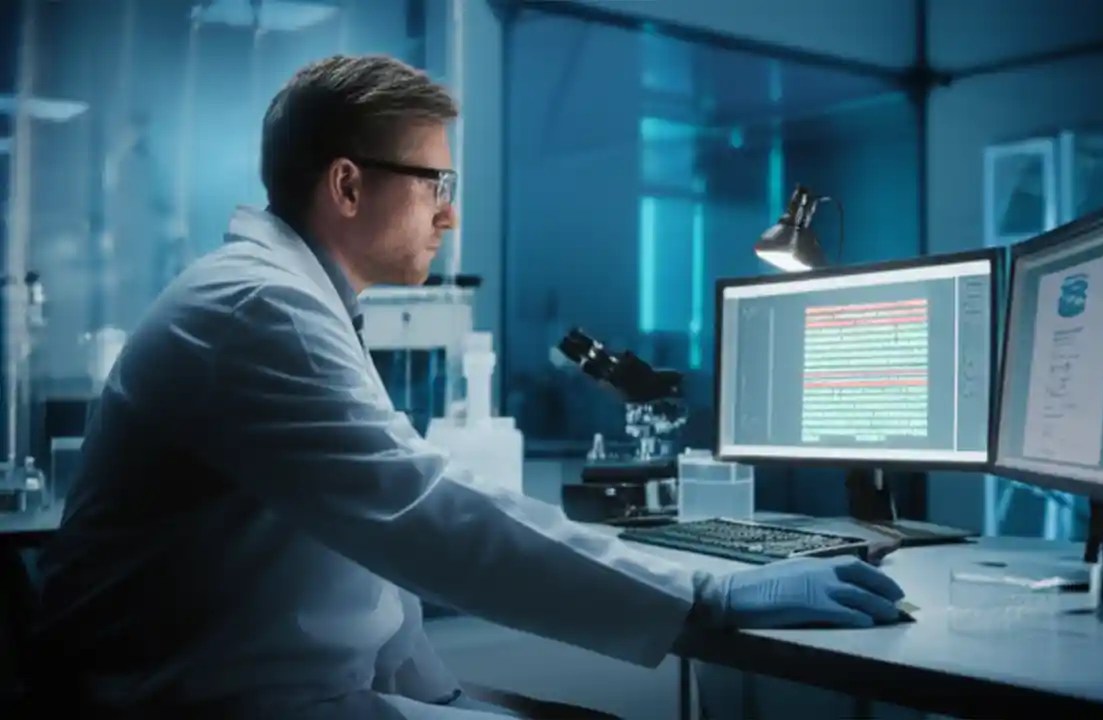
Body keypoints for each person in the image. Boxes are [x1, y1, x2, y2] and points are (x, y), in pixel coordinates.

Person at [30, 55, 908, 720]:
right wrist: (704, 594)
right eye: (435, 184)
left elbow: (369, 536)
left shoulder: (288, 299)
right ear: (346, 184)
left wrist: (440, 695)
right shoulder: (262, 308)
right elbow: (423, 513)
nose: (450, 214)